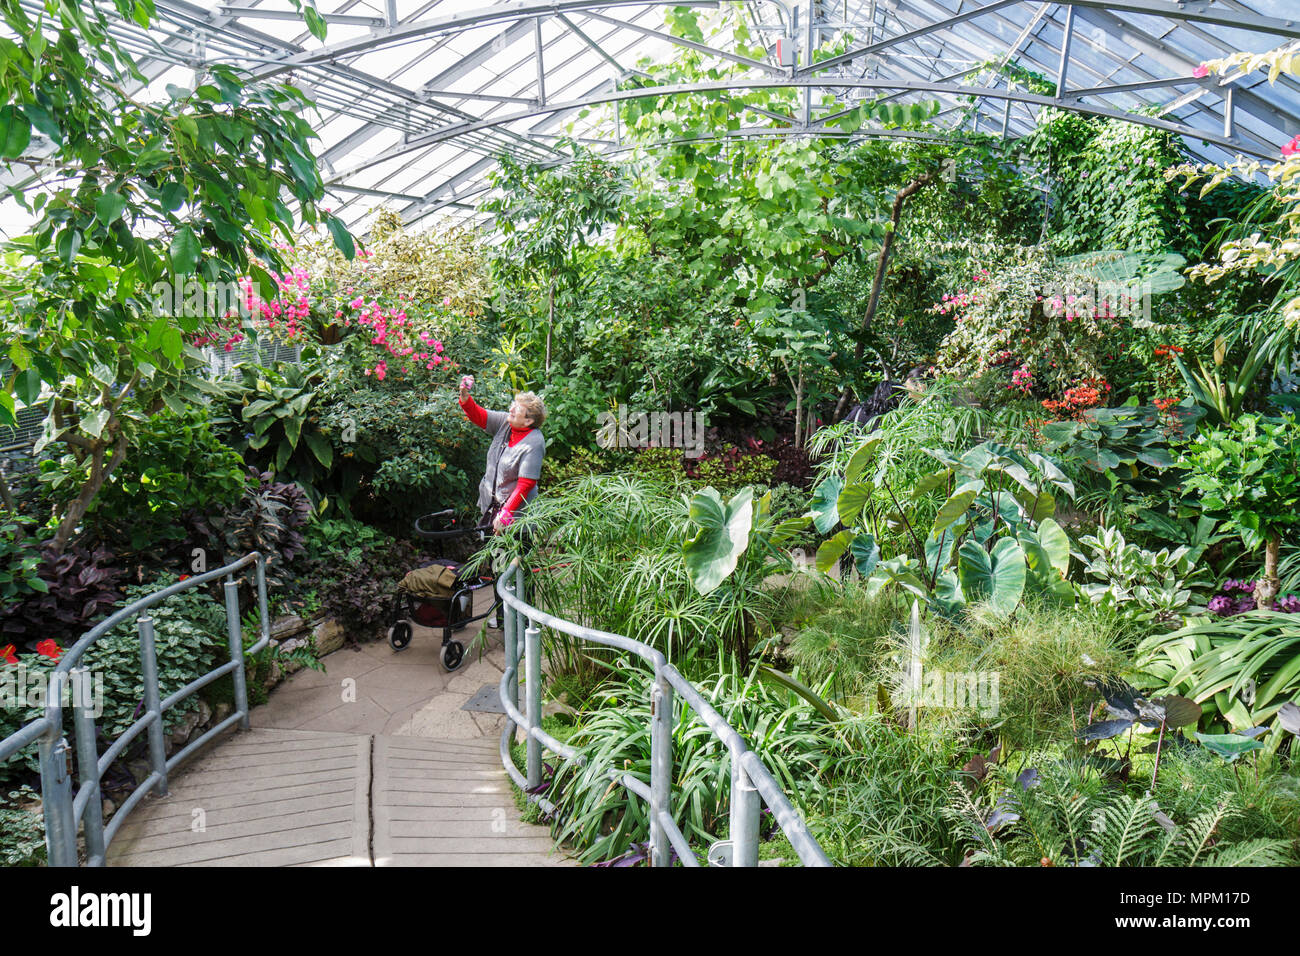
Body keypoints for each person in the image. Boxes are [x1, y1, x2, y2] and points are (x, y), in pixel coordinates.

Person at [458, 376, 546, 627]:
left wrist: (506, 515)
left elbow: (525, 484)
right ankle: (503, 618)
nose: (511, 408)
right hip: (492, 508)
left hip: (517, 517)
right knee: (498, 564)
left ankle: (525, 623)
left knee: (518, 570)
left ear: (528, 419)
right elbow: (480, 416)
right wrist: (465, 398)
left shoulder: (534, 441)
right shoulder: (506, 425)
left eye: (516, 408)